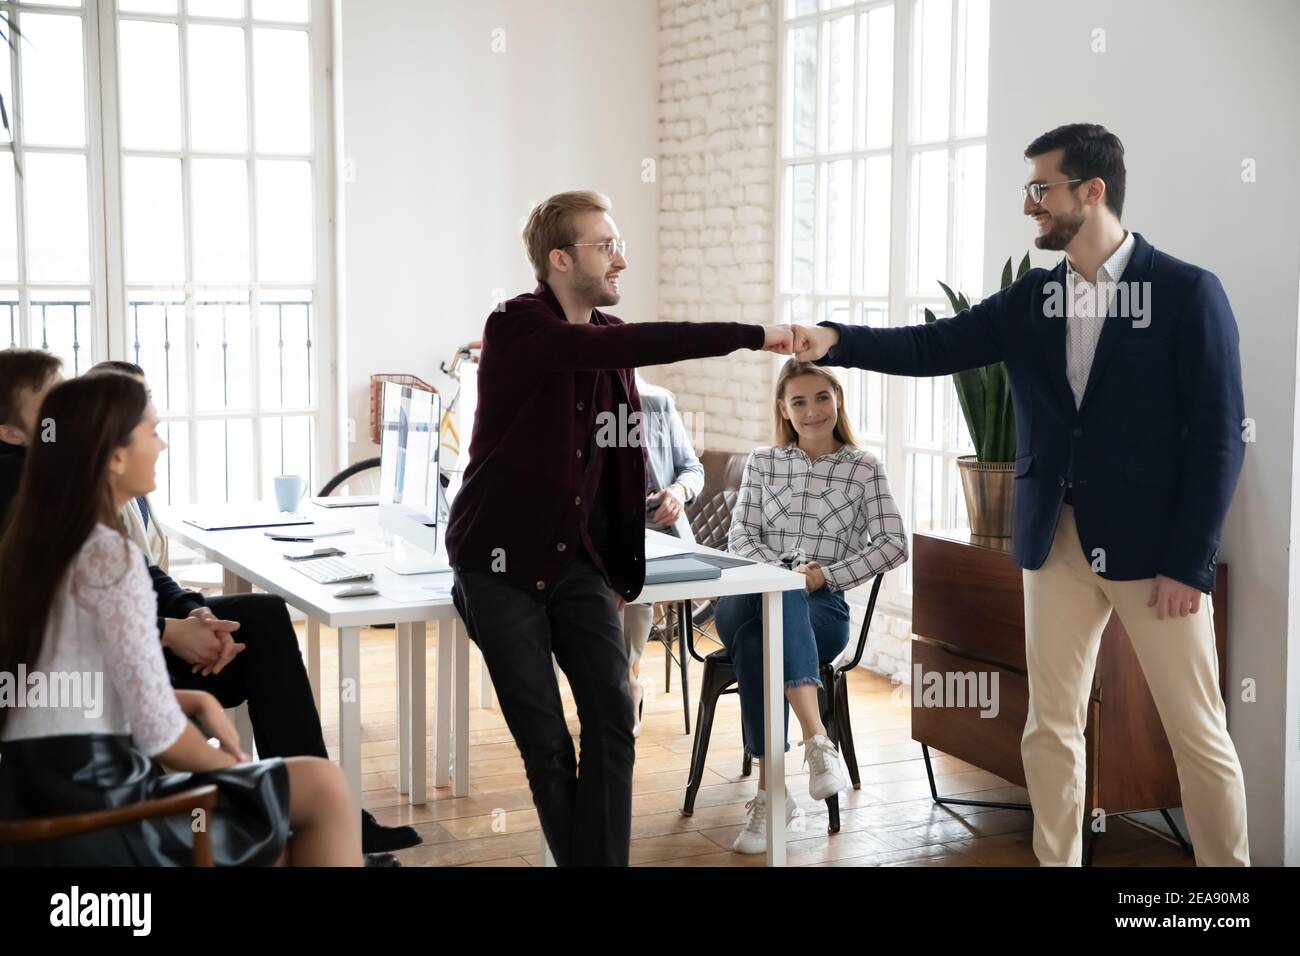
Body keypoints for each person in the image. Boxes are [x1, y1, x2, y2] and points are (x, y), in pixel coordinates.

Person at [793, 123, 1250, 866]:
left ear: (1092, 191)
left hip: (1154, 556)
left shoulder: (1185, 292)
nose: (1030, 205)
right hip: (1053, 541)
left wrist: (1189, 562)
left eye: (1042, 188)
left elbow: (1220, 437)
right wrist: (834, 340)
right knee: (1050, 725)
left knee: (1197, 732)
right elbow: (931, 346)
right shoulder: (1031, 298)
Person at [446, 190, 794, 866]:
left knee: (614, 721)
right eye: (606, 246)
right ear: (559, 258)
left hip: (576, 564)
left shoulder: (610, 343)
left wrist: (615, 572)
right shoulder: (515, 326)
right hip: (496, 563)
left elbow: (618, 461)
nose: (622, 260)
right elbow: (642, 339)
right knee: (547, 742)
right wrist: (754, 334)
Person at [0, 349, 419, 856]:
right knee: (323, 789)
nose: (164, 443)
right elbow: (163, 737)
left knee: (306, 791)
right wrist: (242, 769)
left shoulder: (41, 535)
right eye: (152, 432)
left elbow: (65, 688)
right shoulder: (103, 554)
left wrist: (190, 684)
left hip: (39, 801)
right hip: (107, 813)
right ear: (113, 455)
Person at [718, 361, 907, 853]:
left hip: (822, 608)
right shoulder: (763, 461)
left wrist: (825, 575)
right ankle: (817, 741)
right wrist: (779, 575)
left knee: (761, 642)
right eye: (798, 401)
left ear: (838, 400)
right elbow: (740, 534)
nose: (812, 410)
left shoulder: (864, 467)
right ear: (783, 409)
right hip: (747, 594)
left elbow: (894, 543)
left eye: (821, 397)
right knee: (773, 601)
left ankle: (772, 795)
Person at [622, 374, 705, 735]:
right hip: (599, 530)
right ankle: (623, 682)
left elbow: (693, 468)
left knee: (626, 577)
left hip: (658, 531)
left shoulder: (656, 403)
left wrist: (677, 491)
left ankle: (623, 681)